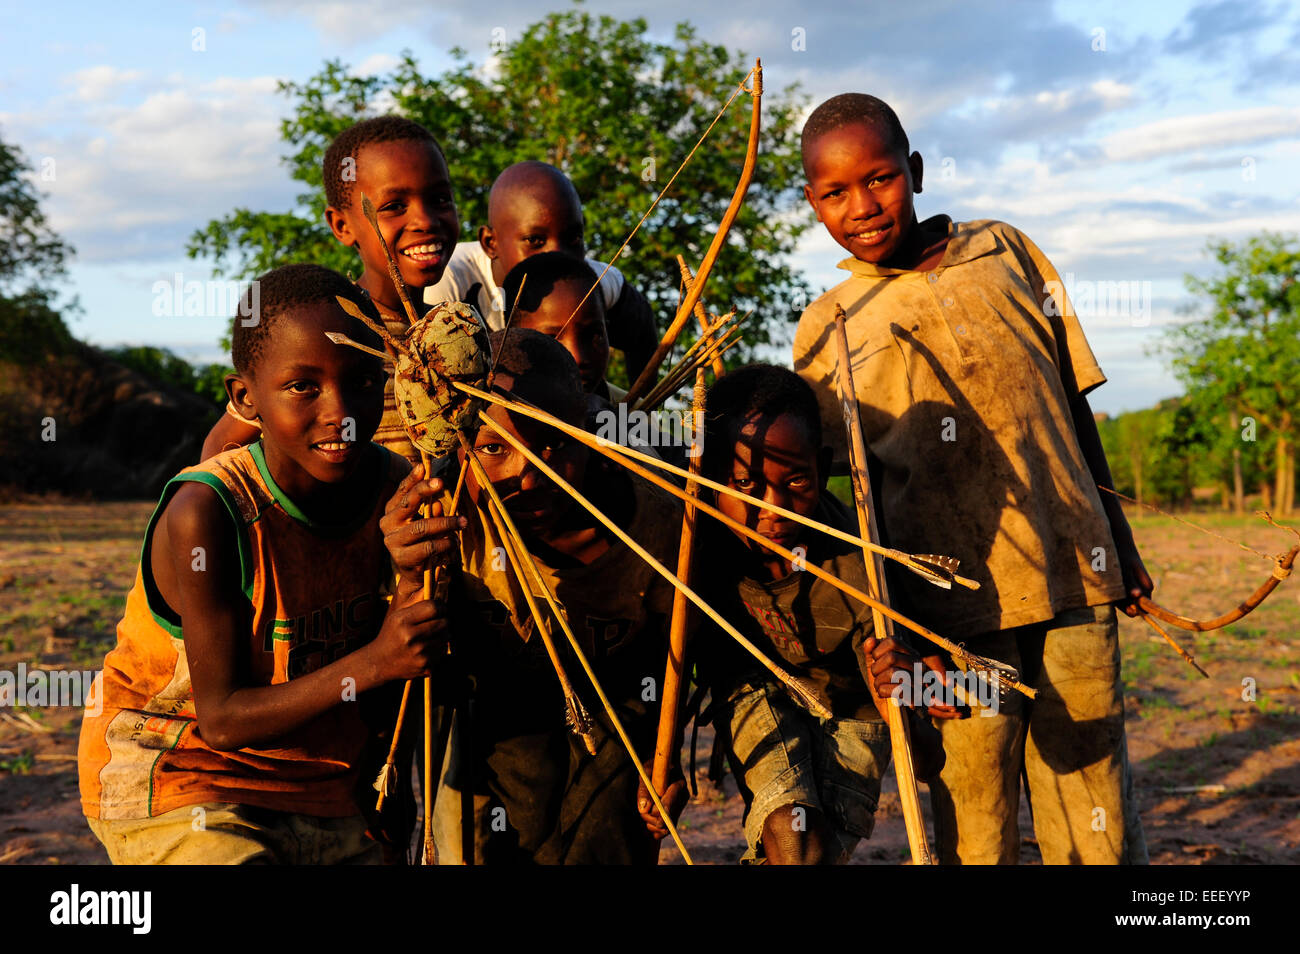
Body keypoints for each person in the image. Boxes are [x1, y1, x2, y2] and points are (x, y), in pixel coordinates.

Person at [792, 92, 1150, 864]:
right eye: (835, 193)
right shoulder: (829, 327)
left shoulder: (1008, 251)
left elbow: (1073, 403)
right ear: (813, 204)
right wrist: (888, 633)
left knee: (1095, 808)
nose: (863, 205)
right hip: (945, 623)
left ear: (915, 171)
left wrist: (1117, 539)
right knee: (973, 816)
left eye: (880, 178)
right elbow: (842, 500)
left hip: (1074, 577)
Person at [78, 264, 464, 864]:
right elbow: (224, 719)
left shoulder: (397, 493)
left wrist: (410, 579)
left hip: (317, 786)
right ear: (244, 398)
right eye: (302, 387)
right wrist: (377, 661)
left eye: (362, 380)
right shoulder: (207, 513)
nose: (341, 412)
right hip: (185, 775)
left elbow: (409, 664)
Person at [401, 328, 687, 863]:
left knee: (607, 828)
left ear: (587, 434)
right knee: (508, 837)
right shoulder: (443, 522)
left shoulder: (655, 523)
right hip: (503, 710)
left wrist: (666, 758)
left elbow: (670, 659)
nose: (527, 476)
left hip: (616, 699)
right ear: (461, 443)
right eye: (491, 448)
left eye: (553, 443)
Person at [690, 363, 950, 864]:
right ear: (704, 477)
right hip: (752, 687)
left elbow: (929, 760)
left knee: (815, 854)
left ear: (823, 465)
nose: (776, 508)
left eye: (796, 483)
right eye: (746, 484)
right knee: (791, 830)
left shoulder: (859, 566)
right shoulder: (696, 545)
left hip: (852, 711)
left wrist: (905, 695)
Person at [201, 115, 462, 466]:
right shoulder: (330, 330)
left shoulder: (455, 333)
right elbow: (218, 455)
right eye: (394, 206)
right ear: (341, 225)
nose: (425, 220)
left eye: (440, 199)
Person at [423, 160, 658, 381]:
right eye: (535, 240)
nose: (557, 254)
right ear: (490, 243)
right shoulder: (448, 282)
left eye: (573, 239)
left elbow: (644, 339)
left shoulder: (595, 284)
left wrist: (639, 408)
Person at [500, 251, 621, 402]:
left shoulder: (639, 418)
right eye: (551, 340)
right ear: (507, 343)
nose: (577, 357)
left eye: (595, 335)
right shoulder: (481, 417)